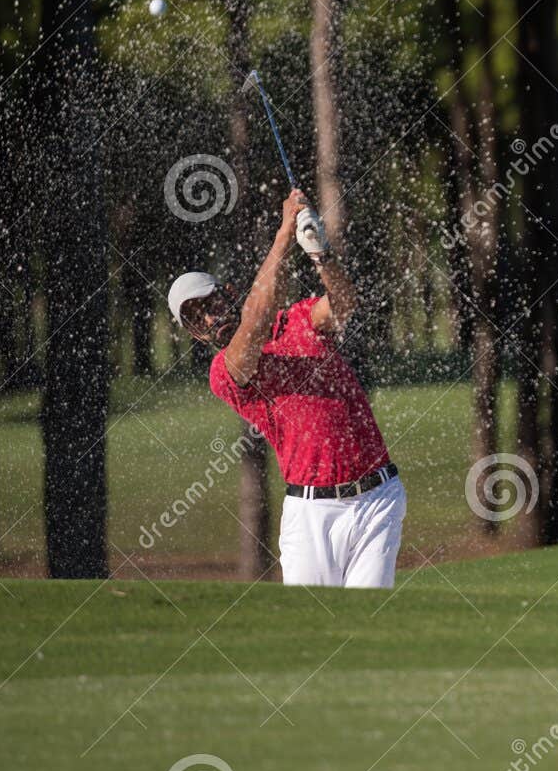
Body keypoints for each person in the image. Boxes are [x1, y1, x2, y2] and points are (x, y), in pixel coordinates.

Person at [168, 189, 404, 588]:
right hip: (312, 515)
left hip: (379, 496)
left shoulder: (297, 319)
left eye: (209, 304)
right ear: (195, 333)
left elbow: (343, 305)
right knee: (317, 635)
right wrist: (284, 233)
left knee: (370, 621)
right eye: (196, 318)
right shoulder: (225, 373)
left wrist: (320, 253)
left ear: (228, 293)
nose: (209, 318)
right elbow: (255, 321)